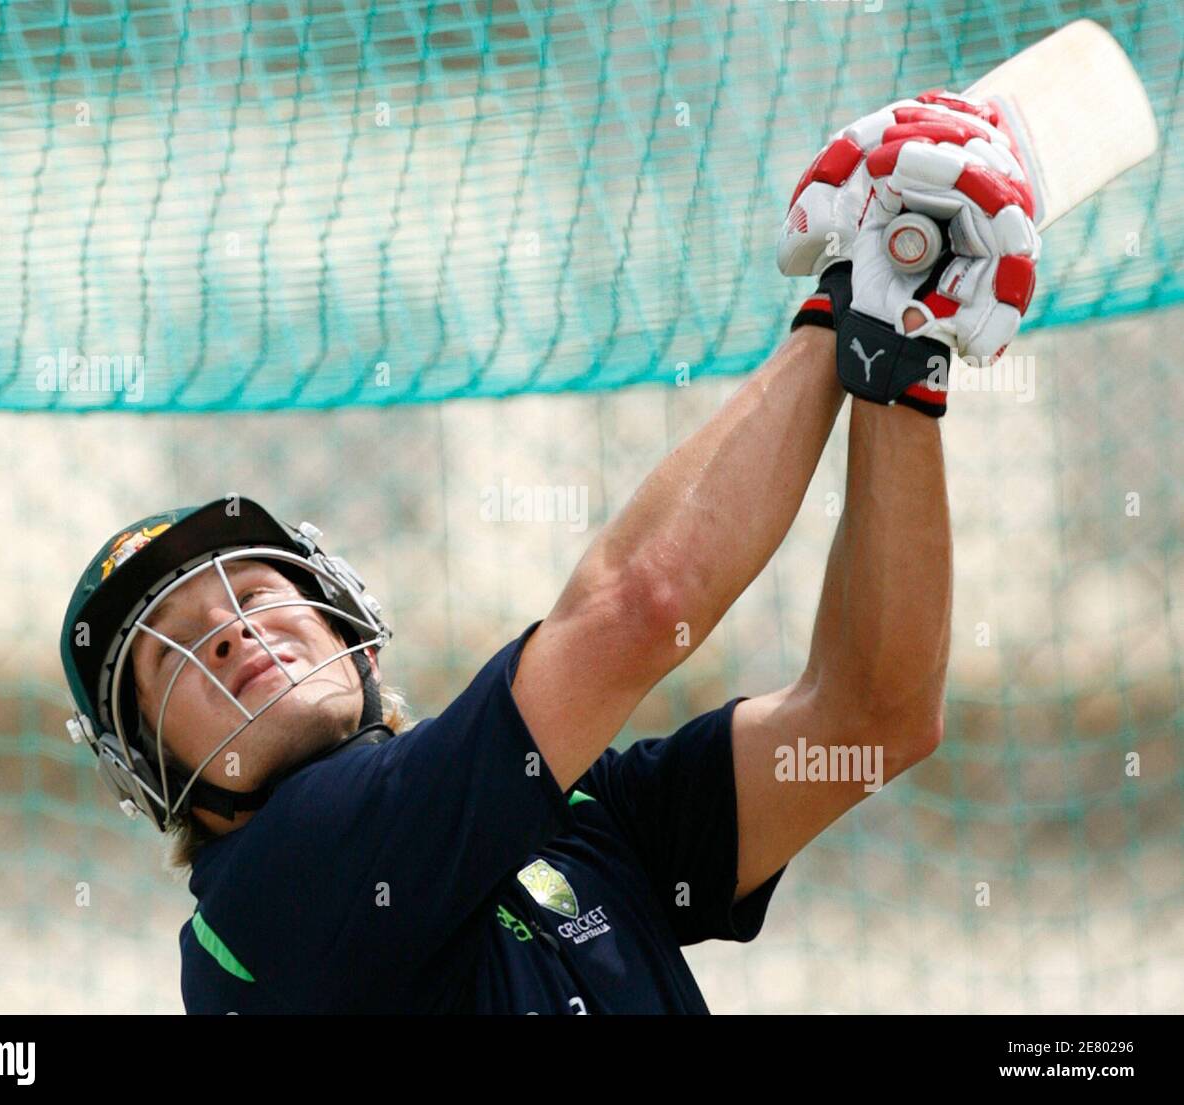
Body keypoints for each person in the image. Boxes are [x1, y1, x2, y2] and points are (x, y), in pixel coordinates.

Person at [59, 91, 1038, 1013]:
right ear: (154, 764)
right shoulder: (269, 895)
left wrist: (901, 359)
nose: (229, 633)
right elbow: (643, 608)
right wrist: (844, 305)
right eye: (171, 650)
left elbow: (877, 713)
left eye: (256, 591)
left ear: (348, 625)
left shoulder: (562, 811)